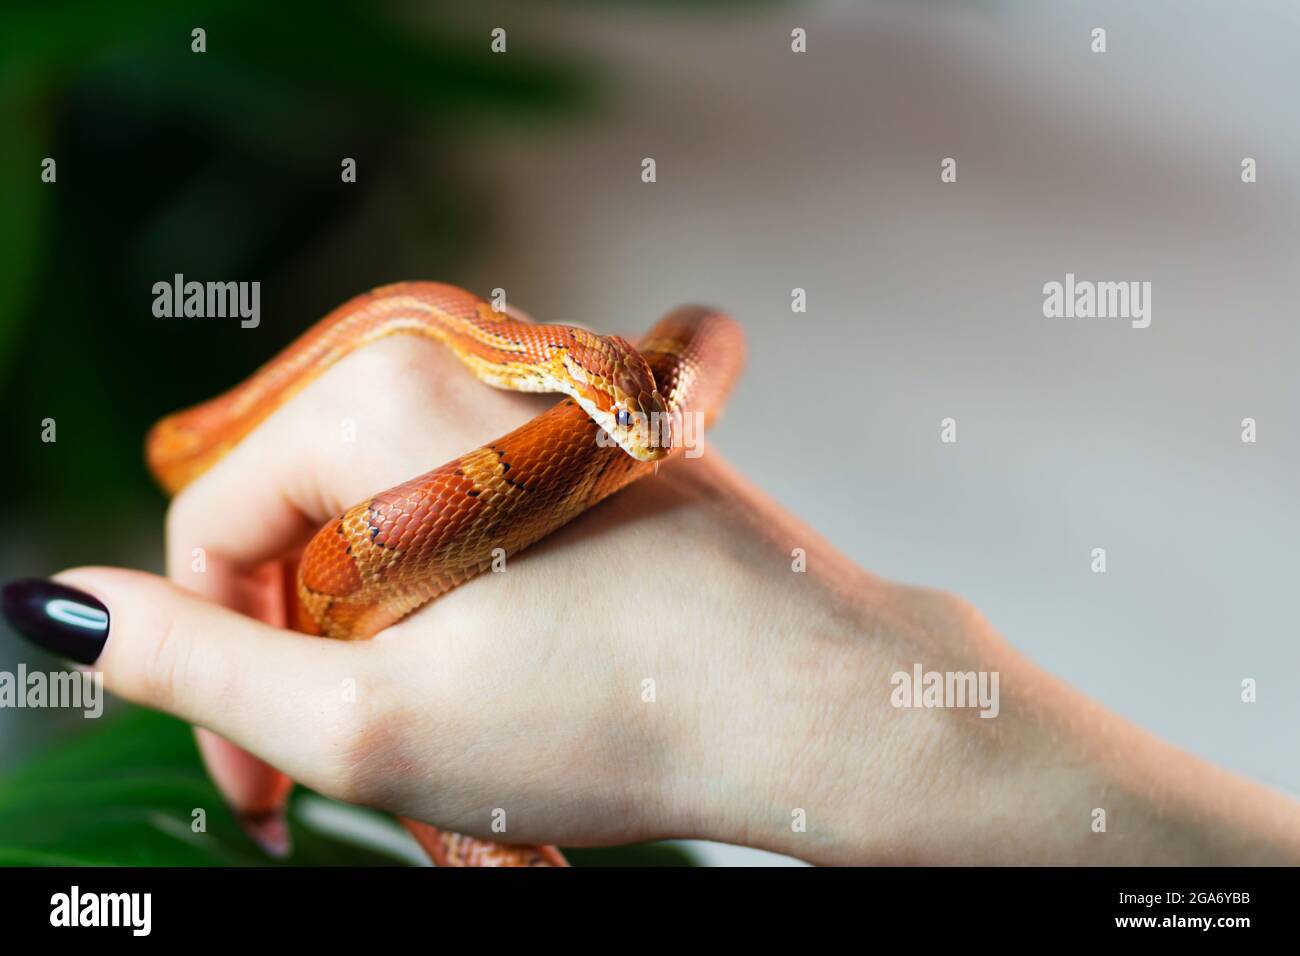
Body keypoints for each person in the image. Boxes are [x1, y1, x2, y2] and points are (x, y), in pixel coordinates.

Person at [5, 332, 1299, 865]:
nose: (641, 436)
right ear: (576, 373)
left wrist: (892, 709)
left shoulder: (618, 385)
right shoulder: (533, 358)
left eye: (636, 418)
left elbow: (687, 360)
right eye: (620, 421)